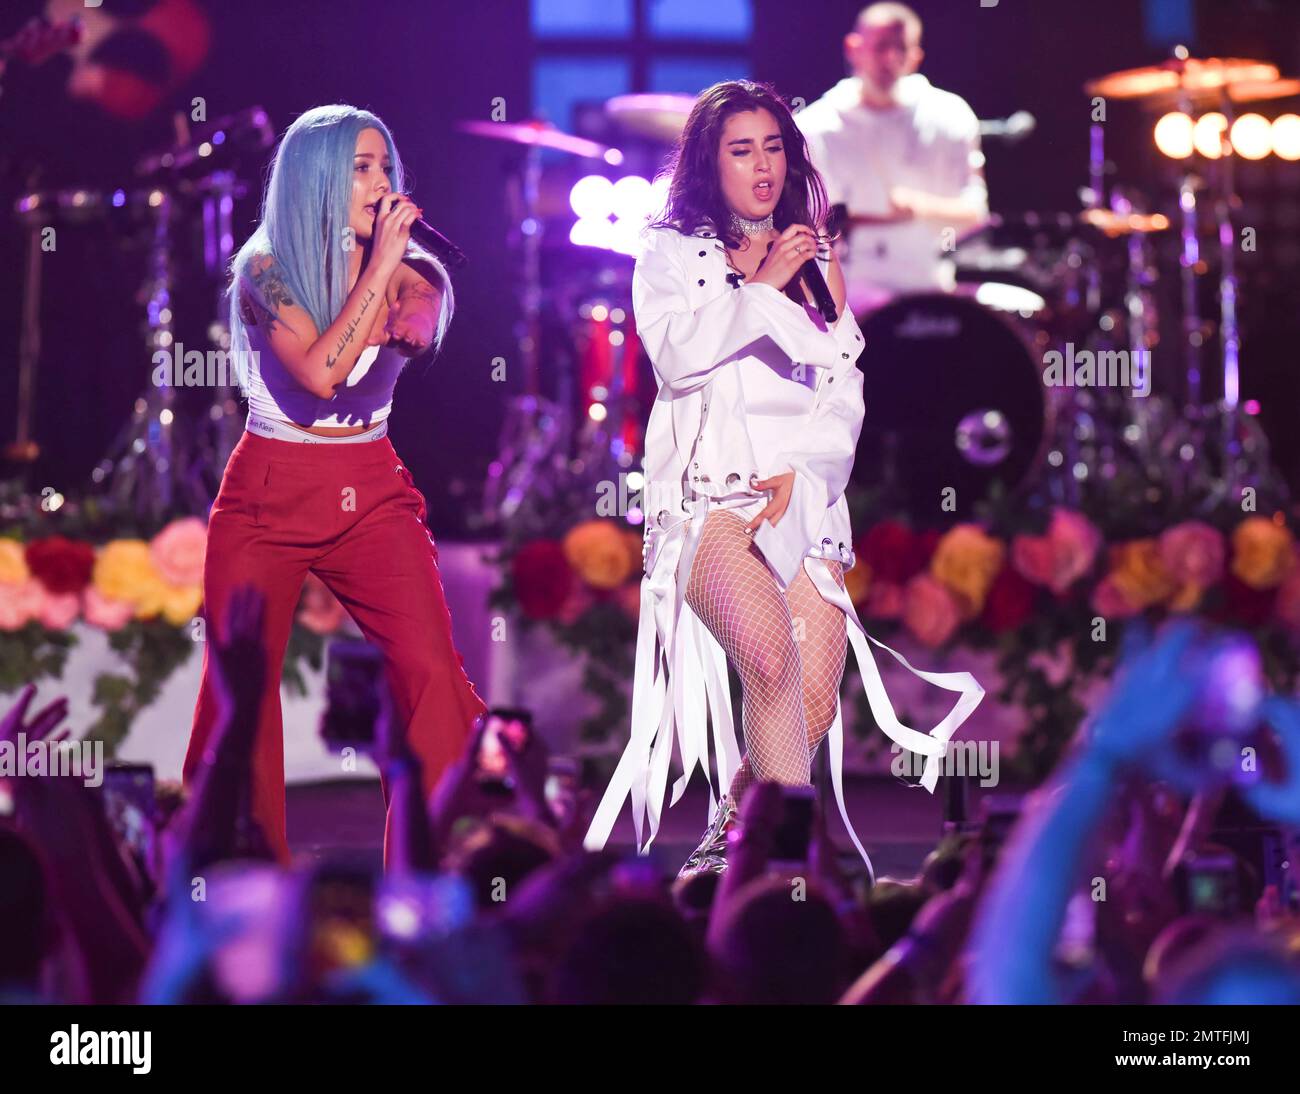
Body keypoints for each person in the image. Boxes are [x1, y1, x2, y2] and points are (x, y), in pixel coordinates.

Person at [581, 80, 983, 878]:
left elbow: (845, 382)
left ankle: (732, 842)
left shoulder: (813, 254)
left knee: (811, 704)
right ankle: (784, 884)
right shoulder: (669, 253)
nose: (763, 166)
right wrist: (760, 290)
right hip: (708, 501)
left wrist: (806, 472)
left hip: (803, 500)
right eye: (742, 150)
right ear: (709, 161)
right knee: (768, 660)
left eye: (774, 147)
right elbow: (679, 362)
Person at [184, 105, 487, 867]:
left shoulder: (416, 274)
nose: (381, 184)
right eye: (361, 168)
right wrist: (379, 274)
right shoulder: (263, 269)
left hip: (370, 487)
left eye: (386, 167)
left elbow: (416, 318)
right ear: (315, 177)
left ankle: (429, 876)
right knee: (240, 693)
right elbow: (320, 374)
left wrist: (399, 287)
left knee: (431, 675)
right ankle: (232, 887)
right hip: (269, 489)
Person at [796, 2, 989, 314]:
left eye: (900, 48)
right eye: (880, 46)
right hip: (853, 294)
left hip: (934, 286)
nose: (889, 59)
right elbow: (816, 224)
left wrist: (916, 206)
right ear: (853, 48)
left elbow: (976, 212)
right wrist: (885, 214)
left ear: (916, 56)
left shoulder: (951, 116)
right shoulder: (817, 126)